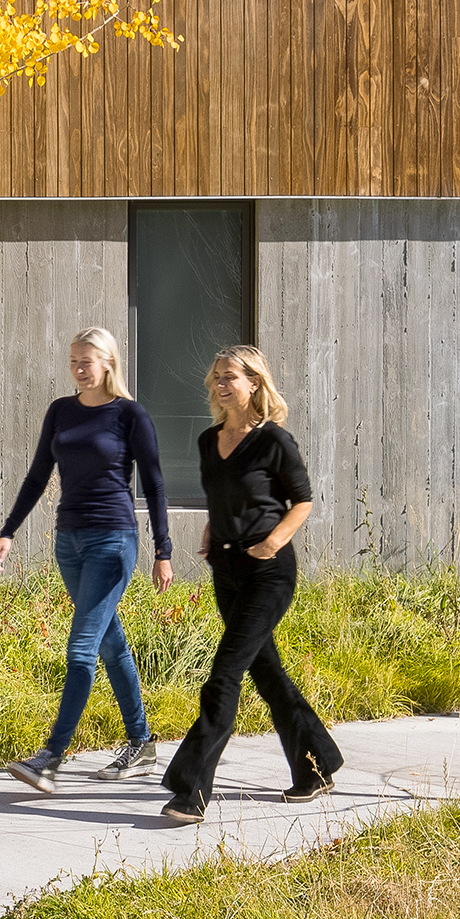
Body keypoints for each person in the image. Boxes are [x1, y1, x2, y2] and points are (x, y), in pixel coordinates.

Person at [161, 344, 343, 823]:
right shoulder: (208, 440)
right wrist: (212, 527)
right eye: (216, 377)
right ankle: (316, 766)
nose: (221, 384)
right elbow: (222, 495)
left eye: (230, 377)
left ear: (254, 384)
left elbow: (301, 500)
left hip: (268, 572)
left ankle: (190, 789)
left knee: (225, 672)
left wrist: (273, 541)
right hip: (226, 570)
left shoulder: (273, 441)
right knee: (267, 673)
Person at [0, 325, 174, 788]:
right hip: (68, 540)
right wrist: (8, 531)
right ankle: (142, 743)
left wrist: (162, 549)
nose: (77, 369)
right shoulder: (61, 411)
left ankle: (51, 756)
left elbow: (153, 484)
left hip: (113, 541)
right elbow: (37, 476)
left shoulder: (130, 415)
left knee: (82, 647)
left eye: (85, 361)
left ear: (107, 362)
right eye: (72, 361)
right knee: (110, 640)